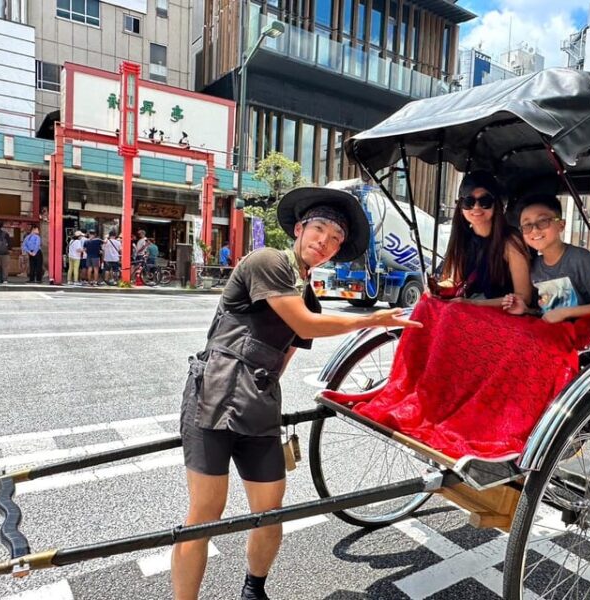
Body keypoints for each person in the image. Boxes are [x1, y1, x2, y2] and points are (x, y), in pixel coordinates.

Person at [171, 186, 422, 600]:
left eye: (335, 239)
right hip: (213, 395)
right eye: (319, 230)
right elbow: (304, 326)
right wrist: (370, 321)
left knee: (270, 512)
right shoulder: (267, 261)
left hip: (258, 403)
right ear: (300, 229)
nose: (324, 242)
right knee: (205, 514)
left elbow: (283, 357)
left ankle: (254, 590)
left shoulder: (308, 296)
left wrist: (264, 393)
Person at [503, 194, 590, 323]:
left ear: (561, 225)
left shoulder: (580, 259)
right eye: (527, 225)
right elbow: (548, 311)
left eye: (543, 221)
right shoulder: (535, 267)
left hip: (583, 332)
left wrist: (566, 313)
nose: (535, 230)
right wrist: (526, 310)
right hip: (552, 331)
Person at [437, 171, 532, 306]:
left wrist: (473, 304)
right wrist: (437, 288)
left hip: (503, 314)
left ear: (496, 204)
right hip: (468, 310)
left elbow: (523, 297)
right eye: (468, 201)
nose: (476, 207)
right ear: (460, 206)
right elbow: (455, 281)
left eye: (485, 201)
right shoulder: (463, 238)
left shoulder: (510, 240)